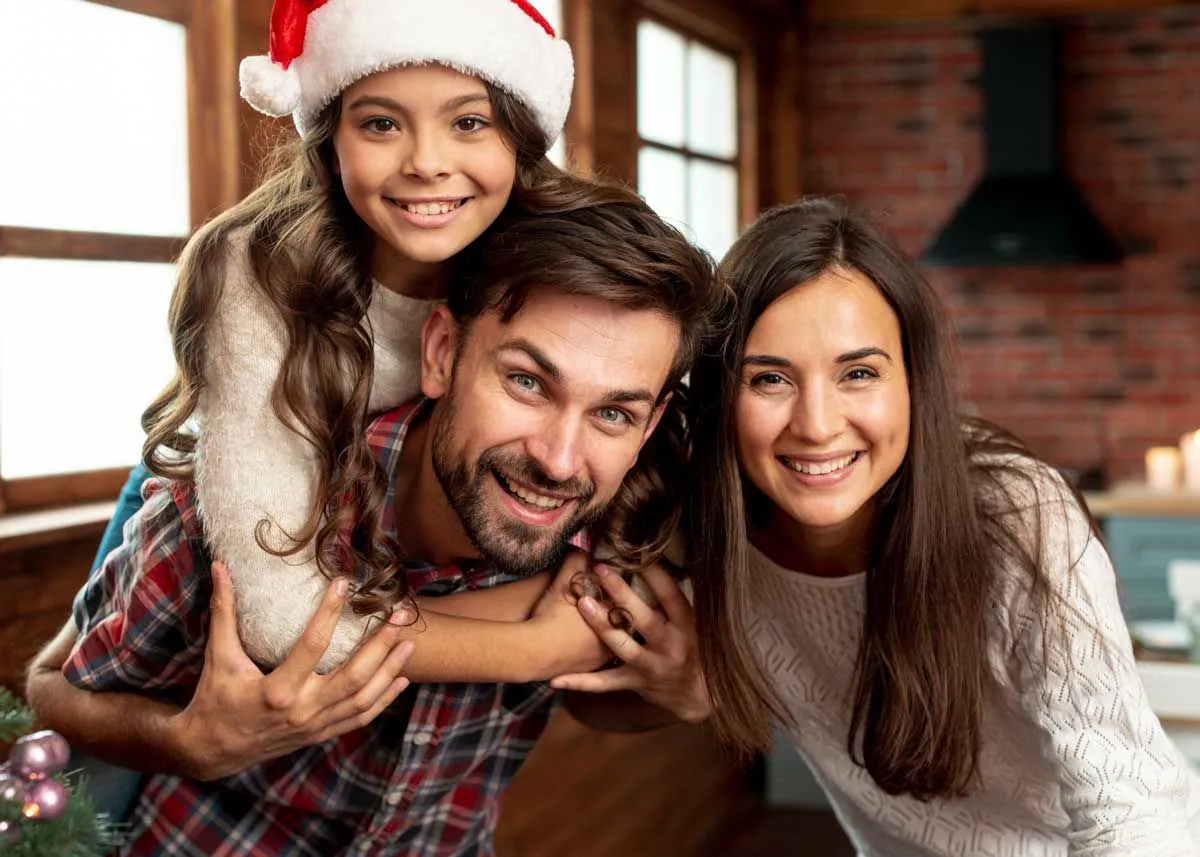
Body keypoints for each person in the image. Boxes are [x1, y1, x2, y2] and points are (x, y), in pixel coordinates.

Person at [26, 193, 717, 856]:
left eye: (613, 414)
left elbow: (589, 692)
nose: (560, 460)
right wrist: (188, 741)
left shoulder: (610, 530)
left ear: (649, 423)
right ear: (442, 352)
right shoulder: (248, 513)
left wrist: (678, 696)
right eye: (528, 383)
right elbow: (58, 698)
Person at [683, 196, 1200, 856]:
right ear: (722, 392)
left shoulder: (1015, 513)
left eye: (859, 373)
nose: (816, 423)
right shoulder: (709, 528)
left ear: (913, 382)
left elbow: (1130, 808)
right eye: (770, 379)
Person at [106, 0, 592, 675]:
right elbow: (277, 616)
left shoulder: (553, 268)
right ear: (331, 143)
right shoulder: (259, 272)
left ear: (521, 137)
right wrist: (543, 642)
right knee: (92, 739)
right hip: (205, 493)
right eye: (381, 123)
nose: (426, 161)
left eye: (470, 121)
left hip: (371, 540)